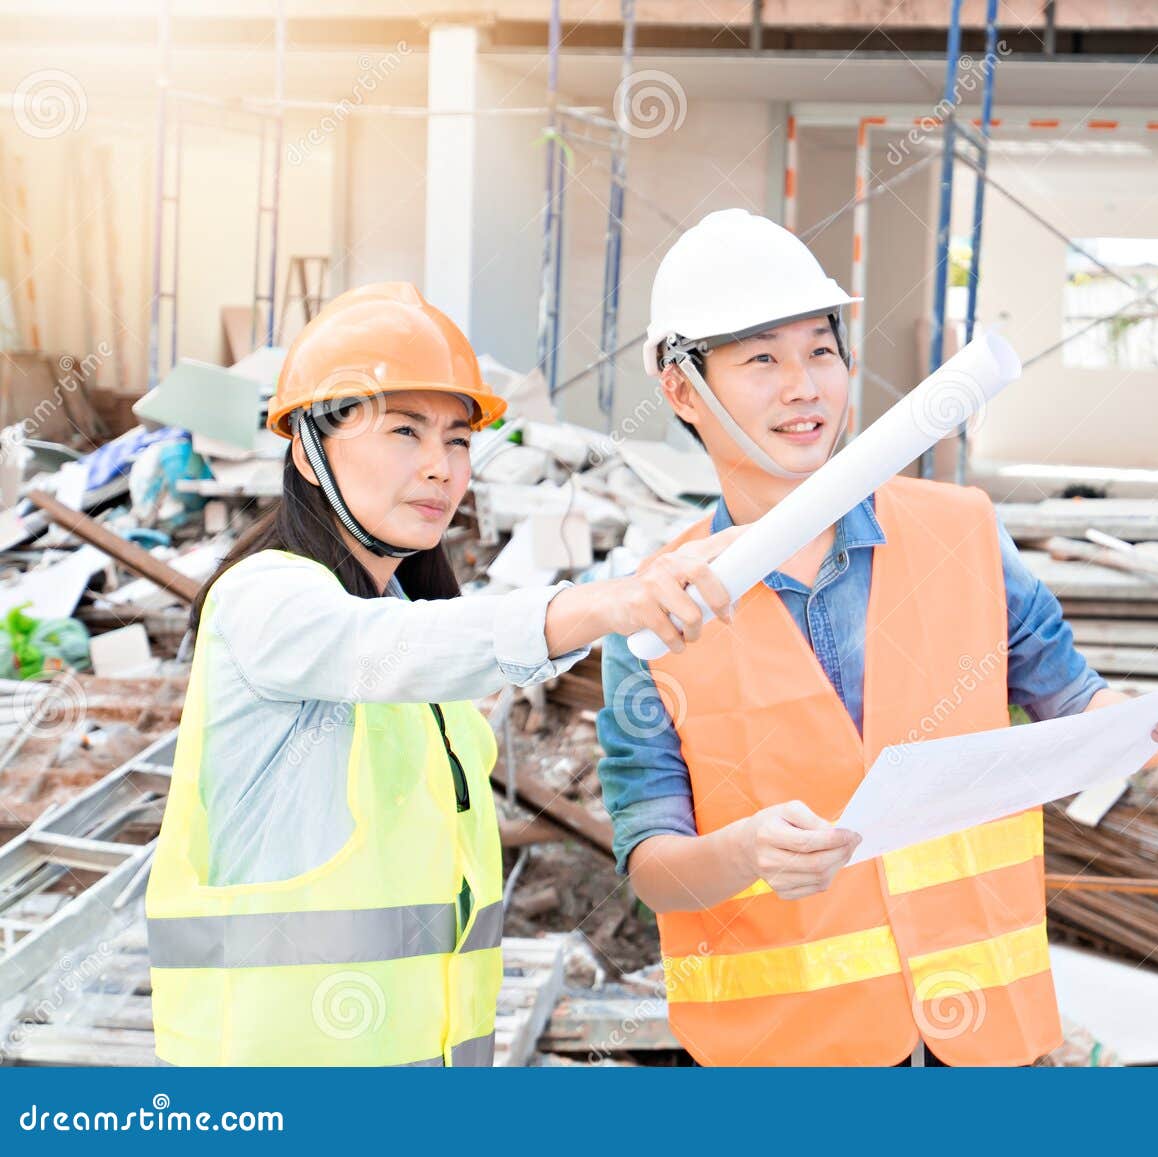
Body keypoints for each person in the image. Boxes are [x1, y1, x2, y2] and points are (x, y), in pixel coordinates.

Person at [597, 209, 1158, 1067]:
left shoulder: (963, 532)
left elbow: (1081, 704)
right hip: (786, 1060)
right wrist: (743, 852)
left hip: (981, 1044)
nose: (804, 387)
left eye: (819, 351)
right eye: (762, 358)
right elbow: (654, 865)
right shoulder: (657, 612)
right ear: (682, 388)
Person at [146, 282, 736, 1066]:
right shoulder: (265, 602)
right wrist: (608, 604)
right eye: (404, 432)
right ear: (308, 453)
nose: (440, 467)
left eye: (458, 440)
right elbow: (383, 648)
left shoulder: (407, 618)